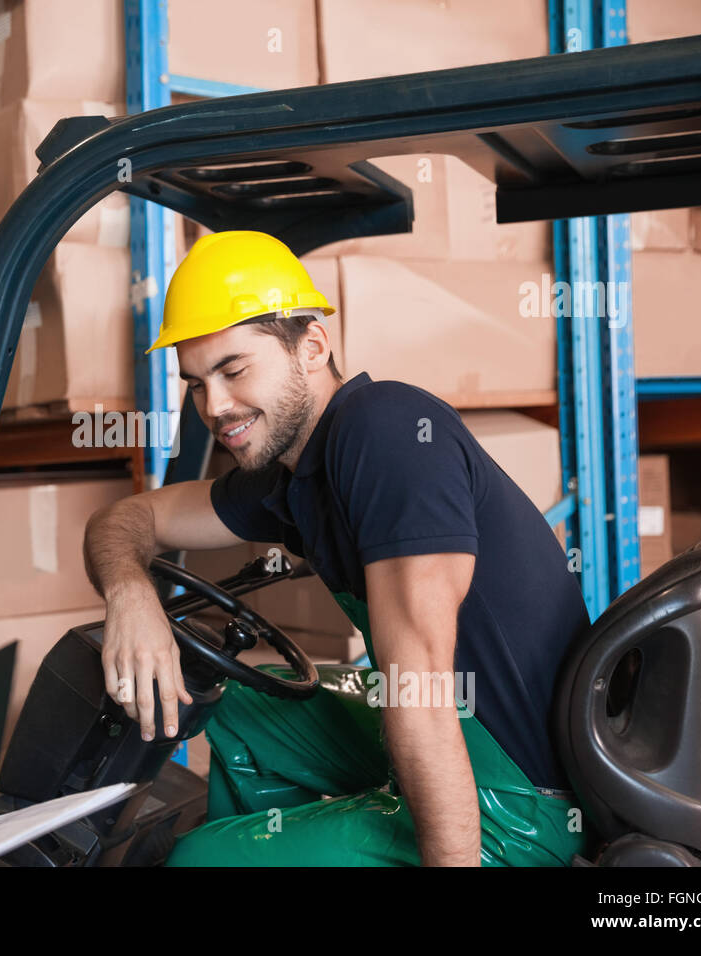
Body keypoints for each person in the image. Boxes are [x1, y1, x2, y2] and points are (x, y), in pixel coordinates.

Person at [83, 230, 592, 866]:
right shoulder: (289, 475)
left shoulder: (385, 434)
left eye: (234, 370)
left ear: (313, 345)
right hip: (461, 730)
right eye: (195, 383)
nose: (214, 406)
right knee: (236, 703)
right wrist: (131, 595)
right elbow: (125, 519)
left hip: (518, 805)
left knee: (195, 861)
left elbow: (420, 689)